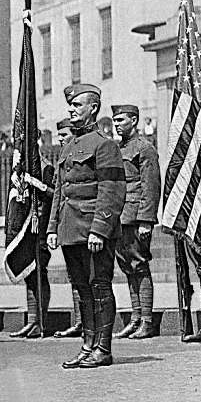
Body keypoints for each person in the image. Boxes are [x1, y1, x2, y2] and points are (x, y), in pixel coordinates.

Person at [47, 84, 126, 369]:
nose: (72, 110)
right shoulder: (68, 147)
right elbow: (60, 190)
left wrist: (99, 230)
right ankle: (87, 345)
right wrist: (52, 227)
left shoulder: (104, 144)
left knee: (99, 286)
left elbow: (112, 190)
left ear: (93, 108)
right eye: (70, 106)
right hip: (70, 229)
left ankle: (103, 349)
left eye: (77, 105)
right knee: (81, 288)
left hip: (93, 229)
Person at [111, 104, 161, 340]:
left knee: (139, 266)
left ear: (134, 120)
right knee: (127, 268)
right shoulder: (117, 149)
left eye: (121, 119)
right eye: (115, 120)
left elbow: (150, 186)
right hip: (120, 217)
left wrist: (146, 220)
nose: (117, 124)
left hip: (136, 217)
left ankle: (148, 321)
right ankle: (136, 318)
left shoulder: (145, 148)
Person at [9, 136, 55, 339]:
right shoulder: (19, 168)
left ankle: (40, 321)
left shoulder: (45, 167)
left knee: (39, 272)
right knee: (29, 274)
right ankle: (31, 320)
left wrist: (40, 185)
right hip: (25, 229)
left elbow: (56, 195)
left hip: (40, 227)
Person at [51, 118, 83, 338]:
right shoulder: (63, 158)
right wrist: (52, 227)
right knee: (74, 276)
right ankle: (80, 322)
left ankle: (90, 326)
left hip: (84, 223)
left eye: (63, 135)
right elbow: (58, 195)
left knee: (89, 278)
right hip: (66, 223)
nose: (60, 140)